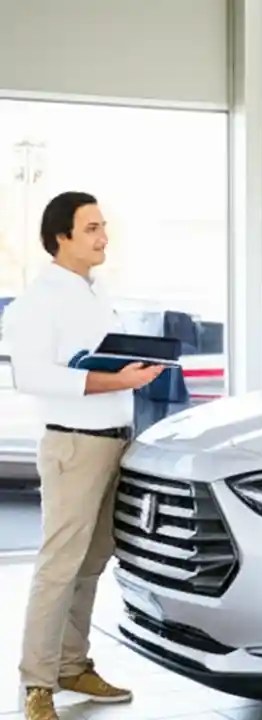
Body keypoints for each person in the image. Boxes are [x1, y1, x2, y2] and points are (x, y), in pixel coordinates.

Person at [3, 192, 165, 720]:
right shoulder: (39, 299)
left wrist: (131, 372)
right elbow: (31, 375)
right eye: (92, 228)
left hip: (116, 440)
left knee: (91, 562)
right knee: (59, 566)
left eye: (103, 226)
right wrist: (113, 379)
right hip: (73, 443)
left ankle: (72, 665)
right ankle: (37, 684)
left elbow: (100, 360)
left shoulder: (96, 293)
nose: (104, 237)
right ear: (61, 237)